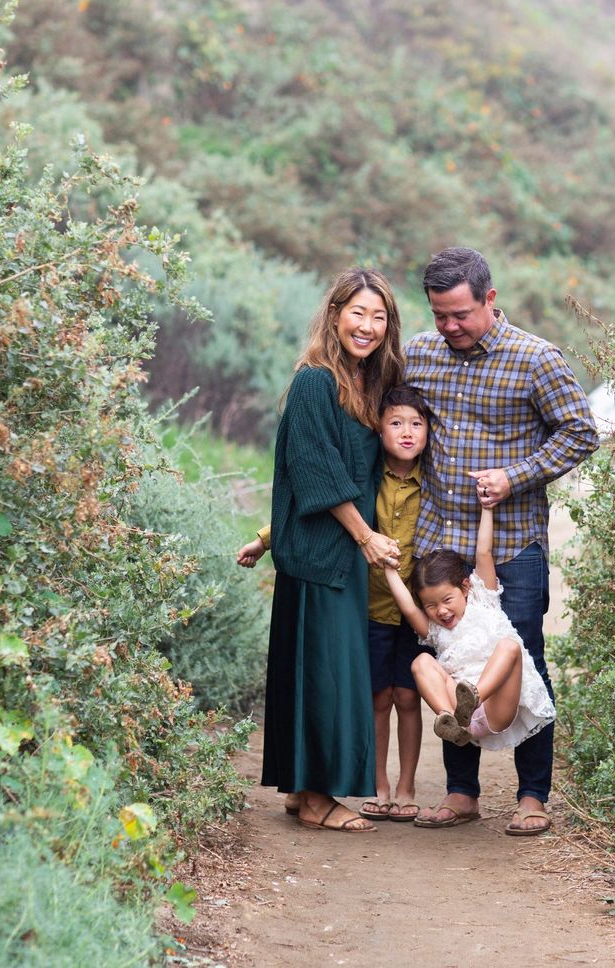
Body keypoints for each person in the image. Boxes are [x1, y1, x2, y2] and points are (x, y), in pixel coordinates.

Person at [402, 246, 598, 836]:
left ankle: (532, 795)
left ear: (490, 299)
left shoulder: (535, 358)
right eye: (439, 314)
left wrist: (516, 476)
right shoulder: (418, 354)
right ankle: (462, 794)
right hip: (439, 543)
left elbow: (581, 431)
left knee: (524, 662)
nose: (449, 327)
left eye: (460, 314)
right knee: (452, 662)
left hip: (513, 547)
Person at [239, 385, 434, 823]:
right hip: (364, 595)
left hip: (412, 608)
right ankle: (345, 791)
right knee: (366, 693)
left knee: (400, 695)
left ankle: (388, 787)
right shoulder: (366, 469)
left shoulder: (432, 480)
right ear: (379, 430)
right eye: (395, 423)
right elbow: (319, 484)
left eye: (416, 424)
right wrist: (265, 540)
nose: (406, 432)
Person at [257, 267, 404, 833]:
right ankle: (318, 800)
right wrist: (365, 536)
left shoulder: (365, 384)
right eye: (358, 313)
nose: (366, 326)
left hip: (340, 554)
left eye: (378, 316)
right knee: (326, 674)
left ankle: (301, 790)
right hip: (325, 551)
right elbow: (315, 470)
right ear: (334, 314)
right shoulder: (315, 381)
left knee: (320, 669)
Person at [384, 505, 555, 754]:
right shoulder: (434, 629)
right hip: (459, 712)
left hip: (495, 706)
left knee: (509, 646)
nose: (441, 611)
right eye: (431, 606)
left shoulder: (483, 599)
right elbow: (409, 608)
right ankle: (447, 719)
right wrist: (389, 568)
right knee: (420, 661)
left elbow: (483, 552)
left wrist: (487, 509)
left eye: (447, 600)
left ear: (465, 588)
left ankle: (475, 695)